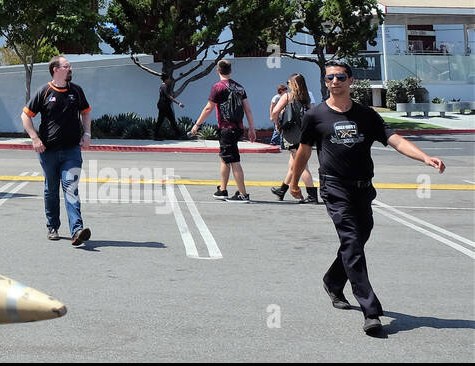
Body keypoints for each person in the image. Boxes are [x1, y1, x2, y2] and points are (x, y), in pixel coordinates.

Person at [289, 60, 446, 337]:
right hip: (335, 187)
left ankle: (332, 281)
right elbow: (303, 150)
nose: (334, 82)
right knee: (351, 241)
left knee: (358, 239)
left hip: (363, 188)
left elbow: (394, 139)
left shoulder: (366, 115)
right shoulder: (315, 115)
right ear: (325, 83)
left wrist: (424, 157)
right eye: (329, 78)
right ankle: (370, 310)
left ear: (350, 81)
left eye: (339, 77)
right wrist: (293, 181)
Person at [21, 56, 92, 246]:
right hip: (48, 151)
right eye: (66, 66)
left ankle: (77, 230)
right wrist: (35, 139)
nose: (70, 69)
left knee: (70, 189)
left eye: (70, 66)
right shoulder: (44, 91)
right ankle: (52, 226)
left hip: (71, 151)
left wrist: (87, 133)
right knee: (51, 190)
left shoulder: (76, 91)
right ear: (55, 70)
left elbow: (85, 112)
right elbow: (25, 115)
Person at [189, 60, 255, 202]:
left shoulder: (217, 87)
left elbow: (208, 108)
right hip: (238, 128)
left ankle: (243, 194)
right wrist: (251, 129)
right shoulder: (239, 88)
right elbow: (248, 109)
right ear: (230, 71)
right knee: (225, 158)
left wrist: (197, 125)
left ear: (218, 70)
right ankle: (223, 190)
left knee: (234, 161)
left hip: (226, 128)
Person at [270, 74, 317, 203]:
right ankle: (282, 189)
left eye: (289, 82)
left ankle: (312, 195)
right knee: (293, 165)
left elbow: (274, 112)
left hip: (292, 135)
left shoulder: (287, 96)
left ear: (293, 84)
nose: (288, 85)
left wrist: (277, 124)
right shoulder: (307, 97)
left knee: (302, 167)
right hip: (305, 134)